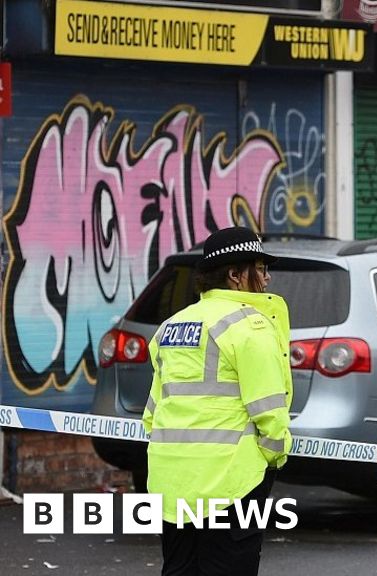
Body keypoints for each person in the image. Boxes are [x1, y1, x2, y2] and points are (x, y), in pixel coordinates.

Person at [143, 226, 292, 576]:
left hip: (172, 480)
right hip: (231, 481)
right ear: (236, 275)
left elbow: (153, 412)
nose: (267, 279)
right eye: (261, 268)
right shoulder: (249, 327)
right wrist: (274, 458)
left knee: (180, 569)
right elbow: (269, 410)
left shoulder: (171, 326)